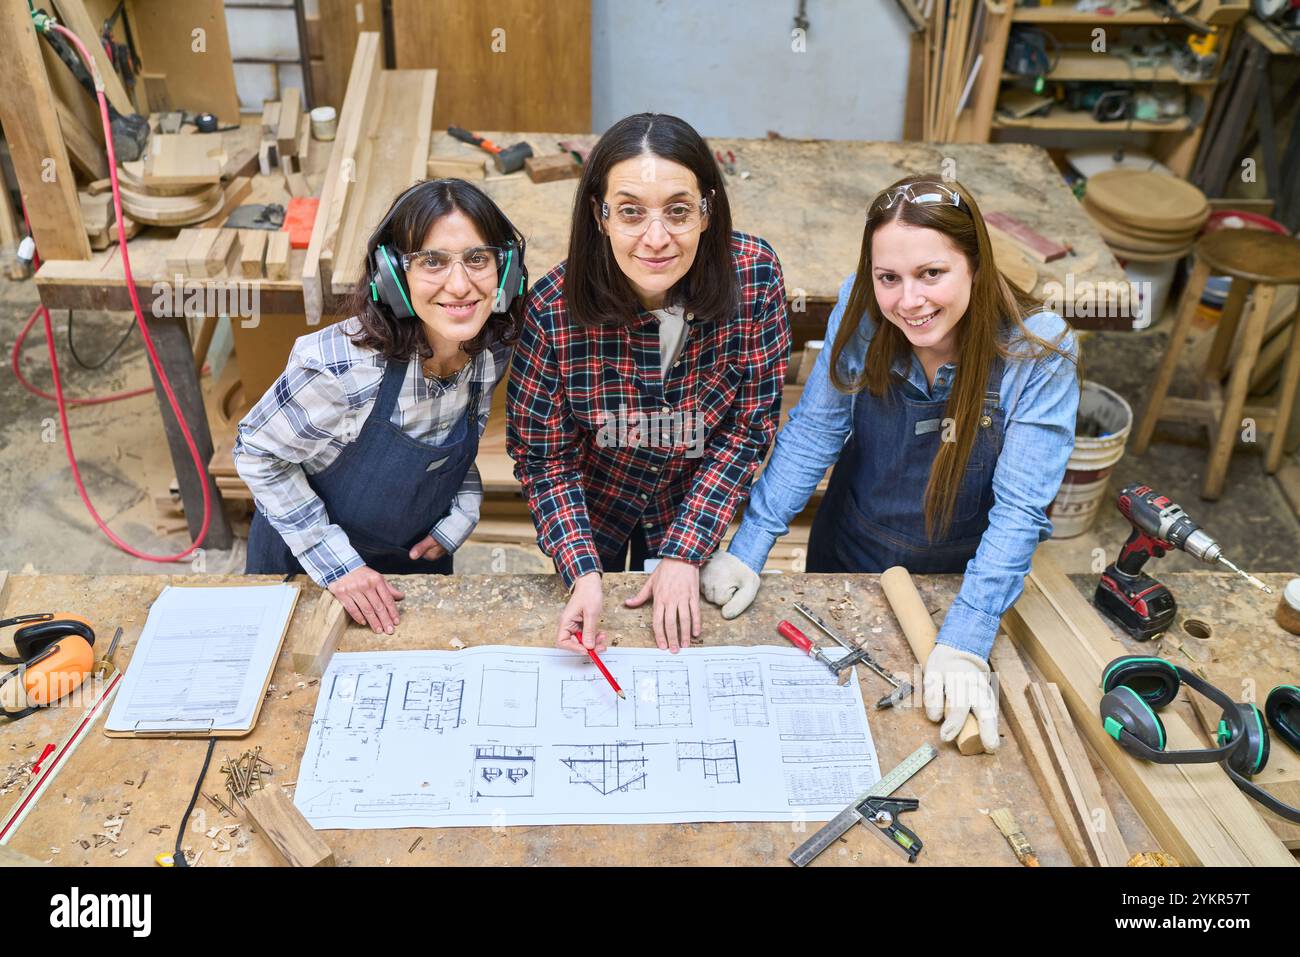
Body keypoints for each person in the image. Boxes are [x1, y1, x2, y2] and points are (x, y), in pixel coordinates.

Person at [701, 175, 1080, 751]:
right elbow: (814, 431)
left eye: (933, 273)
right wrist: (749, 546)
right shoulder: (862, 314)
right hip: (848, 555)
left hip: (962, 579)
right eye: (889, 278)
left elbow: (1021, 510)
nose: (910, 301)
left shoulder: (1036, 350)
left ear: (976, 264)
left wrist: (967, 637)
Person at [507, 113, 791, 656]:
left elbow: (747, 429)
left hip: (693, 503)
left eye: (679, 211)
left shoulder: (755, 277)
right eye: (631, 212)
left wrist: (686, 551)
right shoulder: (550, 307)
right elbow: (544, 459)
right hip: (595, 509)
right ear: (600, 214)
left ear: (708, 211)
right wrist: (582, 570)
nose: (656, 239)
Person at [236, 179, 526, 633]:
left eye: (477, 259)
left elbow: (450, 443)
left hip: (410, 562)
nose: (460, 284)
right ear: (392, 275)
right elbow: (256, 453)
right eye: (431, 261)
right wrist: (338, 567)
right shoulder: (341, 369)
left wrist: (463, 508)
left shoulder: (489, 349)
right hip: (309, 564)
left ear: (505, 270)